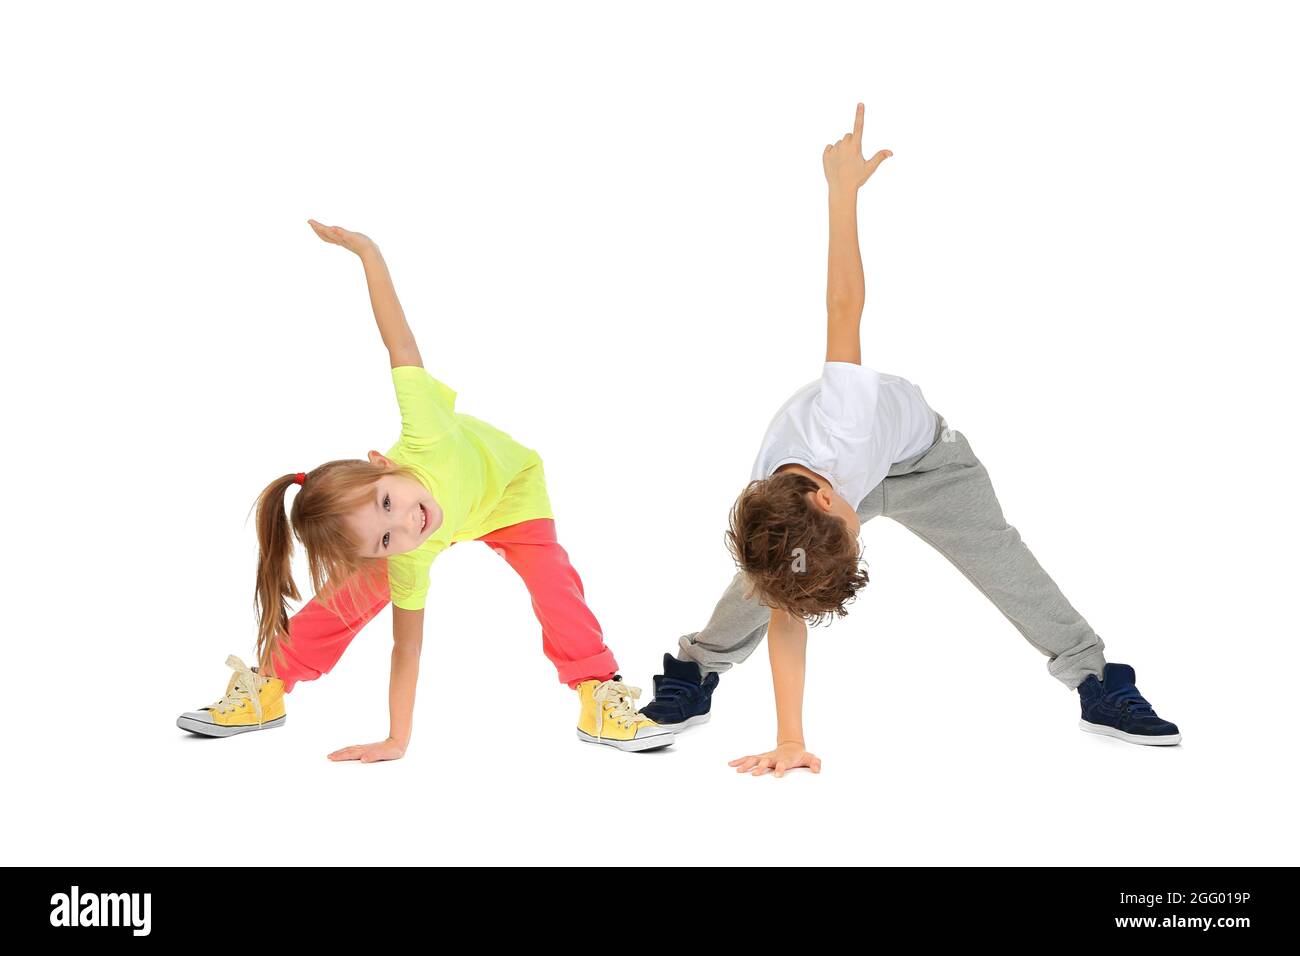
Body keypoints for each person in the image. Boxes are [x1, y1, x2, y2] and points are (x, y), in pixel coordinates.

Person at [636, 104, 1181, 775]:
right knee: (767, 578)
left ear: (835, 503)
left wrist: (841, 193)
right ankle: (696, 674)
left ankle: (1097, 682)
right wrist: (789, 739)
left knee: (1003, 562)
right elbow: (786, 611)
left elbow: (844, 306)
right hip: (839, 489)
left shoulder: (845, 412)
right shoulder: (773, 509)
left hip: (931, 466)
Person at [176, 221, 673, 759]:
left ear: (382, 463)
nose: (408, 523)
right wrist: (397, 738)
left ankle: (597, 693)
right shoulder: (408, 554)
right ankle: (267, 687)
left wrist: (367, 252)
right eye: (385, 539)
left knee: (554, 582)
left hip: (510, 489)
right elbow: (405, 646)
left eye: (389, 504)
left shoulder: (425, 429)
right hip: (456, 515)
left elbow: (398, 340)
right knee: (353, 594)